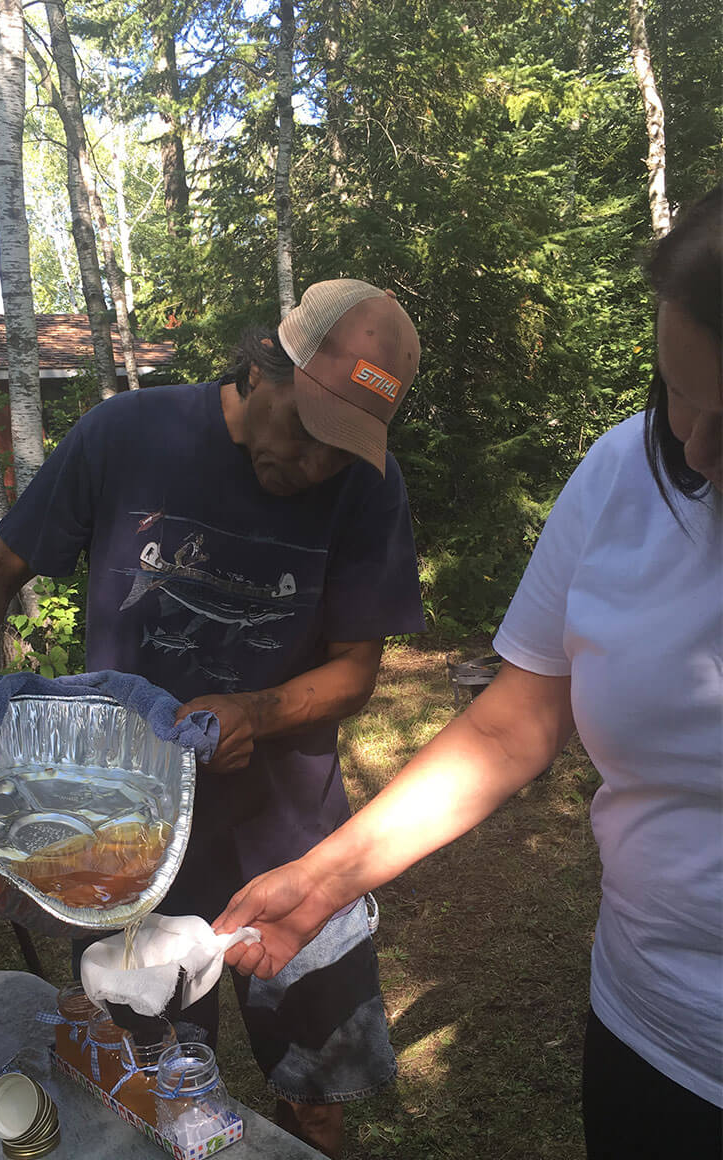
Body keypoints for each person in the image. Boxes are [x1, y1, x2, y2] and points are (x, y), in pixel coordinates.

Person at [215, 187, 723, 1157]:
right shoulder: (622, 474)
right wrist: (323, 876)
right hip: (647, 1038)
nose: (691, 451)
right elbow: (510, 722)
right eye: (671, 397)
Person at [0, 280, 429, 1156]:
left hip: (291, 846)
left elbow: (358, 671)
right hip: (120, 849)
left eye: (343, 452)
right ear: (263, 368)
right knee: (150, 1090)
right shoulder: (129, 434)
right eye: (307, 435)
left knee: (318, 1092)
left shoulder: (367, 486)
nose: (317, 468)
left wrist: (259, 707)